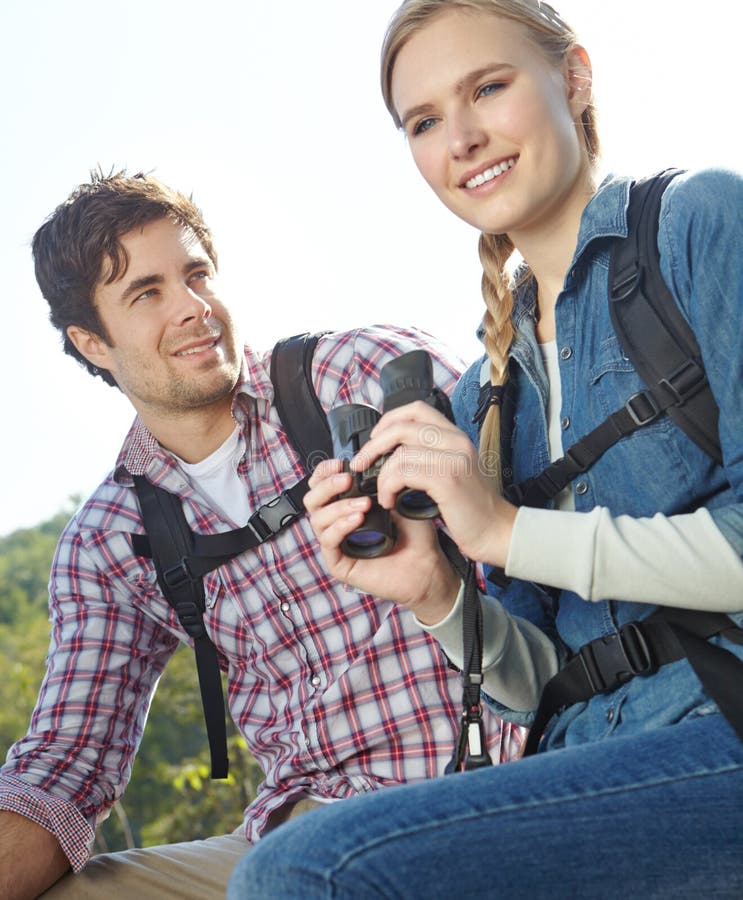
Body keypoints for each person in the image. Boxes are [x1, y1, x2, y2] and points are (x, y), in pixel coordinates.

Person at [226, 1, 743, 897]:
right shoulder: (480, 393)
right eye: (423, 121)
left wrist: (502, 531)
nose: (460, 138)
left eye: (488, 88)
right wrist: (432, 590)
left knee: (307, 872)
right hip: (590, 760)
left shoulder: (699, 220)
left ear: (573, 76)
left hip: (720, 727)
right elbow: (546, 676)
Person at [0, 170, 522, 900]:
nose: (191, 308)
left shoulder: (359, 372)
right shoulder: (109, 541)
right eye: (146, 294)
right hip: (295, 833)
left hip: (480, 785)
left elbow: (536, 521)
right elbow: (66, 761)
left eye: (196, 275)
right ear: (92, 341)